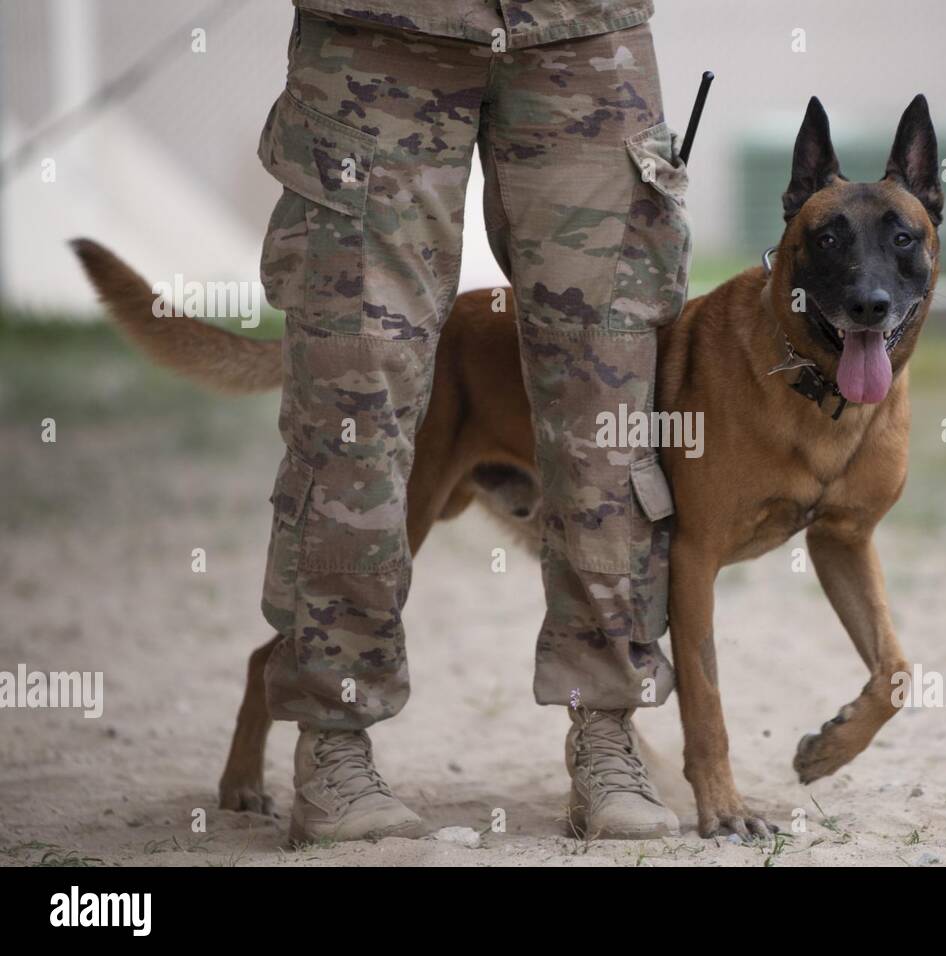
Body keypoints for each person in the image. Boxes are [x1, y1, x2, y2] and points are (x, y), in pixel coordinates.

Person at [255, 0, 690, 842]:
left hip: (583, 30)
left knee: (608, 406)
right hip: (380, 31)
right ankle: (334, 746)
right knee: (355, 397)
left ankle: (606, 731)